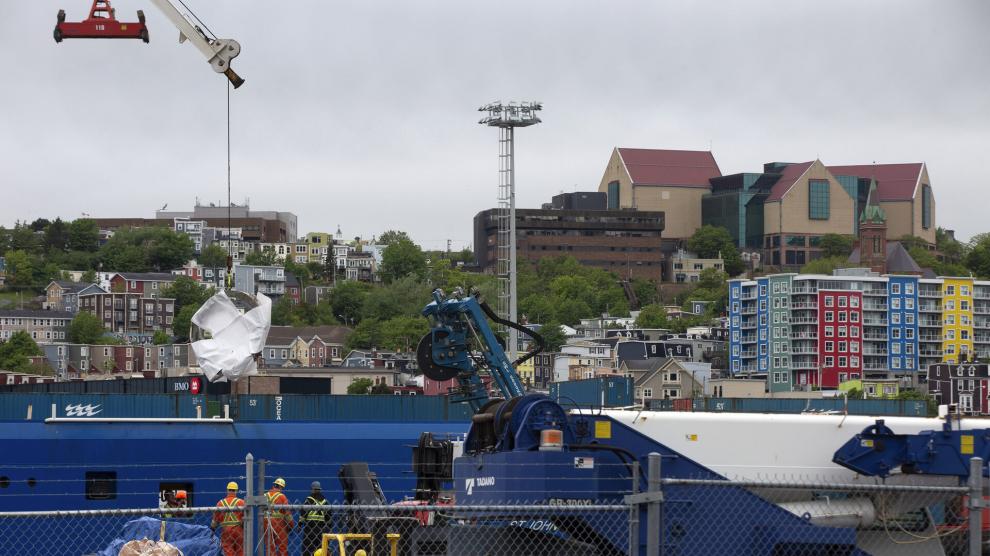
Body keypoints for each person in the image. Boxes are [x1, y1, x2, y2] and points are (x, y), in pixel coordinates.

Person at [211, 482, 245, 556]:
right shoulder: (242, 503)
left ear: (227, 490)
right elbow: (245, 519)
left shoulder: (220, 503)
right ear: (236, 490)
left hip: (226, 531)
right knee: (241, 551)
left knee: (228, 552)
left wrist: (212, 531)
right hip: (239, 530)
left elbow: (214, 522)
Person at [263, 477, 293, 556]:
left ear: (274, 485)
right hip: (279, 524)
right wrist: (290, 525)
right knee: (282, 547)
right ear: (281, 487)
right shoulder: (282, 497)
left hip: (266, 522)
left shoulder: (264, 496)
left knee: (269, 547)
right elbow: (287, 514)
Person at [302, 481, 329, 556]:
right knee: (320, 549)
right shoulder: (325, 501)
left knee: (307, 548)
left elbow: (303, 513)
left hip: (310, 528)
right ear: (319, 489)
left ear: (312, 489)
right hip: (321, 528)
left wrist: (300, 524)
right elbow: (328, 516)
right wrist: (328, 527)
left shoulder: (308, 500)